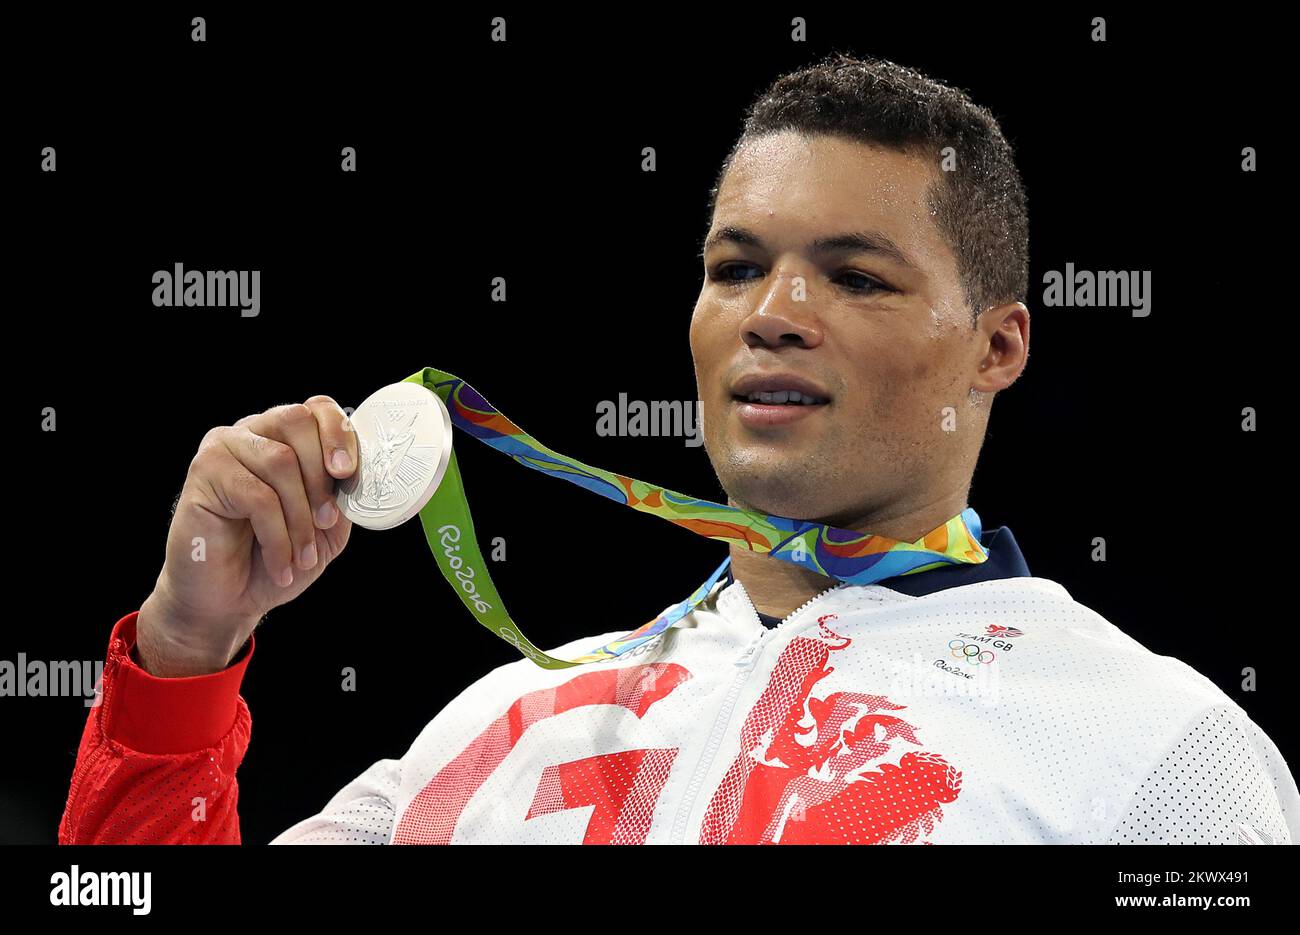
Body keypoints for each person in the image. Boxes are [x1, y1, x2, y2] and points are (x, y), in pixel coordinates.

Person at [60, 53, 1298, 845]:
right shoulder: (501, 719)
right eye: (737, 267)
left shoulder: (1154, 749)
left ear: (997, 348)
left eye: (855, 275)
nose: (773, 311)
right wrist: (184, 653)